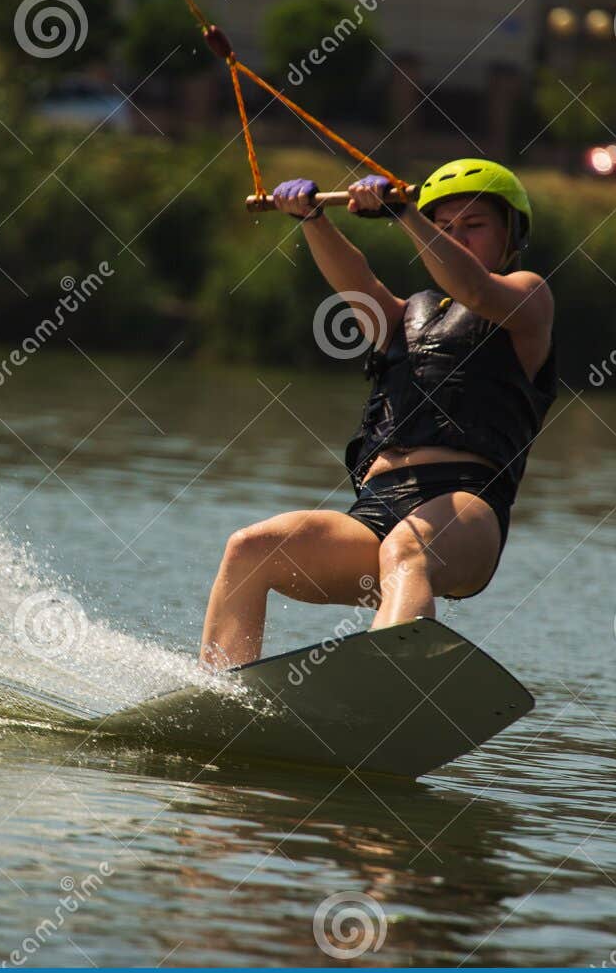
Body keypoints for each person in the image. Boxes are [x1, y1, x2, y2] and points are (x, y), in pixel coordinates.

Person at [198, 159, 556, 669]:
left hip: (465, 506)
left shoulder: (528, 298)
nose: (457, 237)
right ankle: (221, 695)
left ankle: (384, 689)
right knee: (252, 548)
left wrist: (408, 215)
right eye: (444, 227)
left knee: (408, 551)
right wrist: (312, 220)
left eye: (474, 226)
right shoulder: (406, 317)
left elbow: (475, 290)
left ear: (510, 236)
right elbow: (358, 284)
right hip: (376, 510)